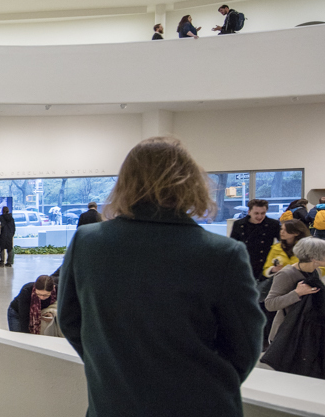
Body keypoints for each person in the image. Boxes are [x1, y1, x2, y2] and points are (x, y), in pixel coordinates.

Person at [58, 137, 263, 417]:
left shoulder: (87, 243)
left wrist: (114, 372)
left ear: (125, 182)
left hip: (114, 404)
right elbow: (245, 347)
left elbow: (70, 320)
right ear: (190, 182)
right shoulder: (223, 254)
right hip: (200, 405)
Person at [264, 237, 325, 342]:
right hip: (287, 335)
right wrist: (297, 293)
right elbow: (270, 304)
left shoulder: (316, 271)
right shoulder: (286, 274)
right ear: (313, 257)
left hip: (307, 333)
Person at [231, 198, 282, 281]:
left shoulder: (273, 224)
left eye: (263, 213)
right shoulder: (239, 224)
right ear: (249, 212)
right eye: (256, 213)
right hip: (245, 264)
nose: (260, 216)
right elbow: (233, 245)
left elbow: (282, 242)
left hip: (265, 264)